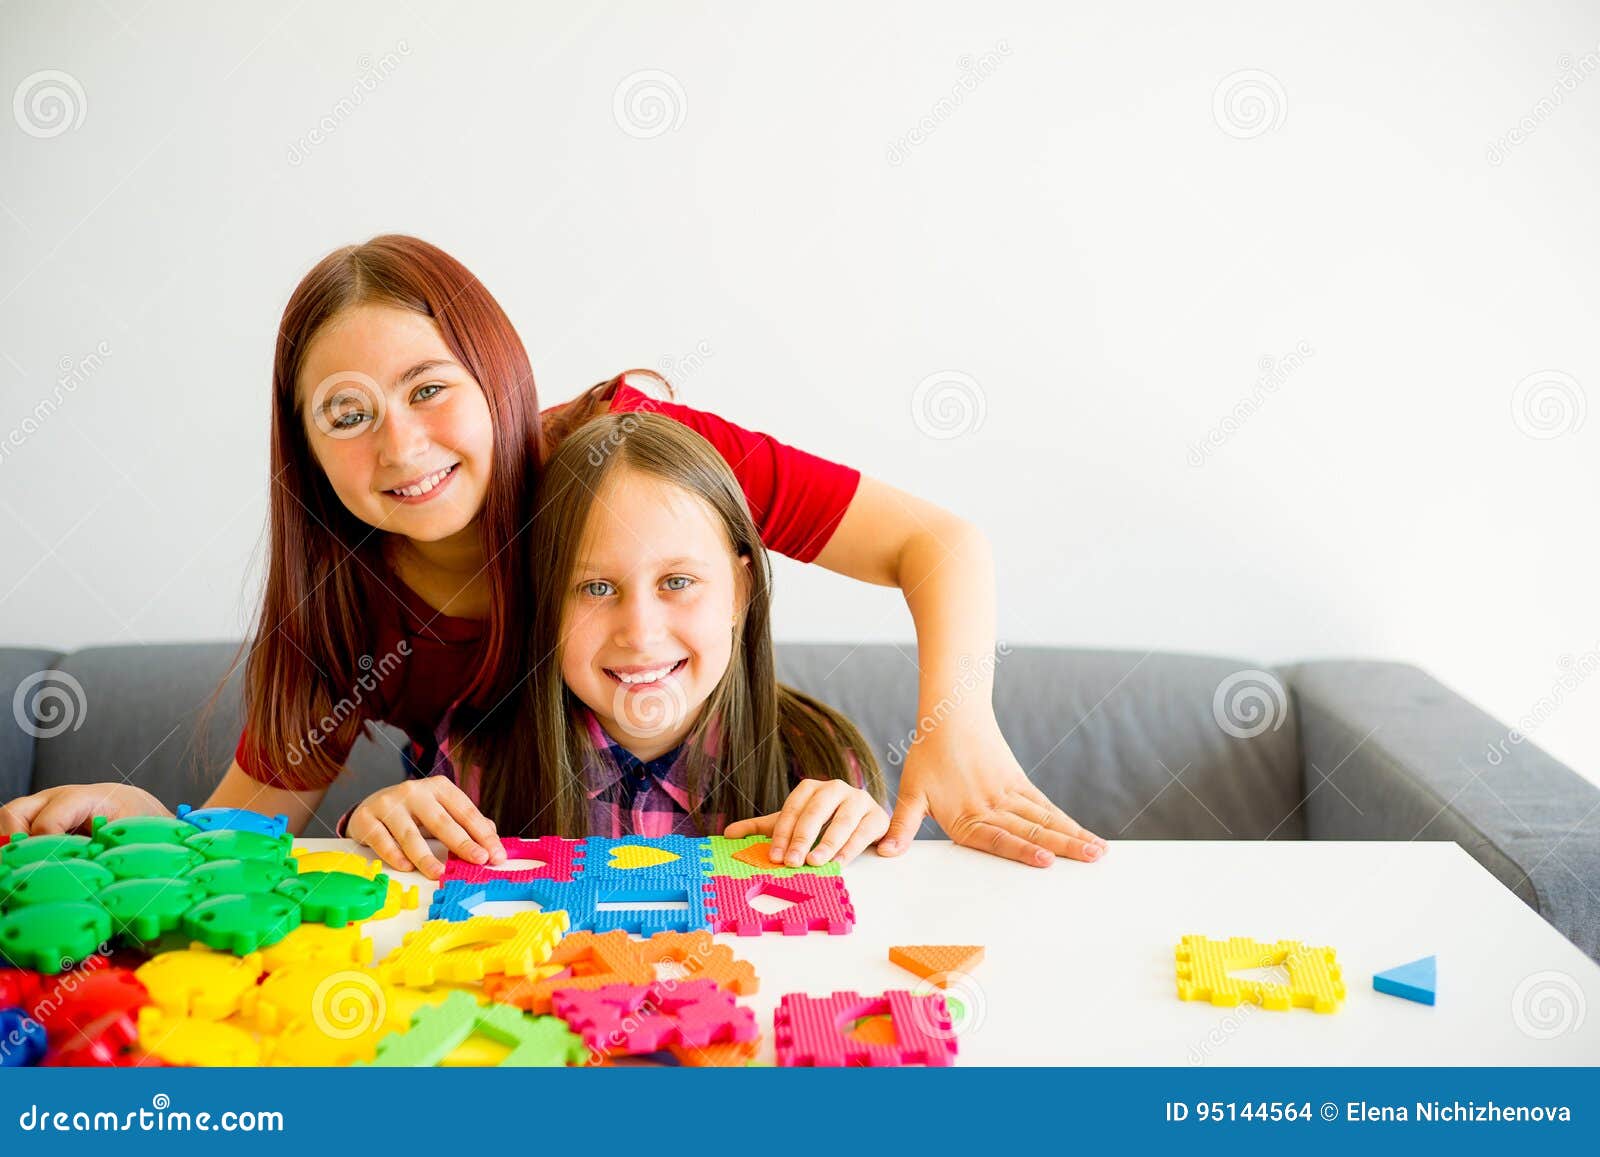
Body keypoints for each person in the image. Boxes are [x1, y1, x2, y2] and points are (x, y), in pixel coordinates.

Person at [0, 235, 1108, 873]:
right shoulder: (348, 616)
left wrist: (953, 724)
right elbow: (247, 837)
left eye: (430, 388)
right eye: (345, 414)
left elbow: (936, 538)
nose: (402, 444)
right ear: (306, 454)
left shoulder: (640, 466)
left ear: (498, 374)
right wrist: (148, 822)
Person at [345, 412, 887, 876]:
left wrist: (858, 833)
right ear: (545, 605)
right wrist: (369, 825)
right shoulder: (470, 761)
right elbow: (405, 883)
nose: (641, 631)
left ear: (739, 590)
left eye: (677, 582)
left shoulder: (816, 761)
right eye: (596, 588)